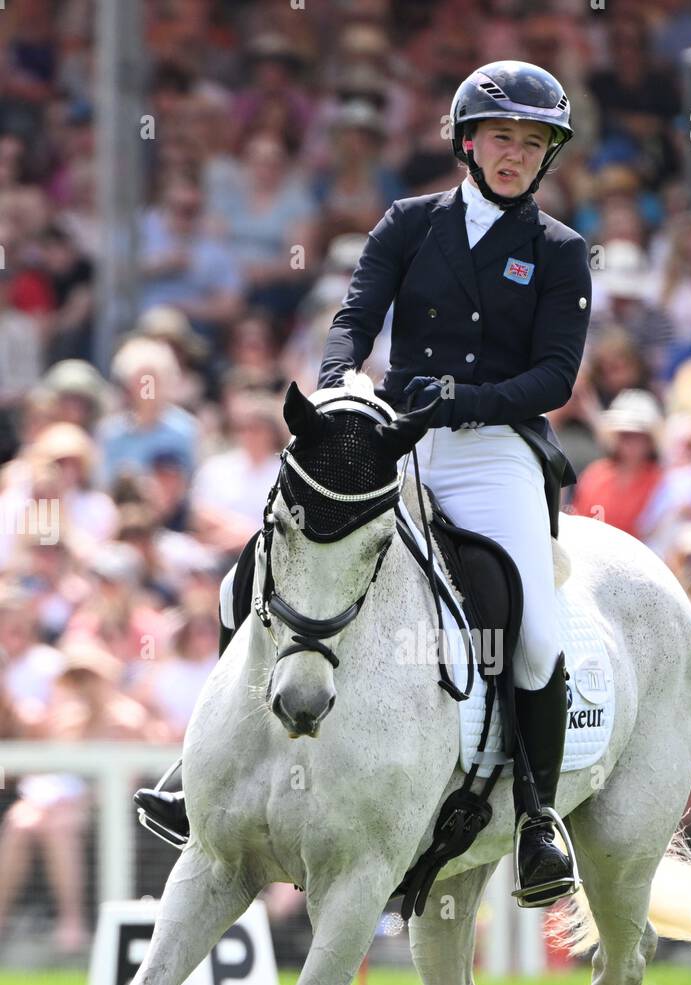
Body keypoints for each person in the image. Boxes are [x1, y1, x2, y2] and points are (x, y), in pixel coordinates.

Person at [135, 59, 592, 911]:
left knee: (528, 625)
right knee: (257, 568)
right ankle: (195, 769)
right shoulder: (410, 224)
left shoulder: (560, 252)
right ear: (467, 141)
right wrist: (345, 384)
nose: (514, 155)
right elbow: (355, 315)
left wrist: (468, 400)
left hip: (493, 450)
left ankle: (536, 819)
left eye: (532, 145)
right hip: (392, 439)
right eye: (501, 138)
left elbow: (557, 377)